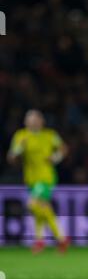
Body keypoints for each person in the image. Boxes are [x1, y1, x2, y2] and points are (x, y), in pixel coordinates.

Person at [7, 109, 70, 254]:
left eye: (36, 119)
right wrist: (18, 150)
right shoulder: (21, 136)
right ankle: (42, 240)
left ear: (42, 121)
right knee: (41, 208)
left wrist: (55, 158)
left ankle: (59, 238)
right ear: (25, 122)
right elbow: (11, 157)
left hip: (46, 176)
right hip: (30, 178)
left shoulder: (50, 135)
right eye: (30, 119)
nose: (33, 122)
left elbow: (63, 149)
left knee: (33, 204)